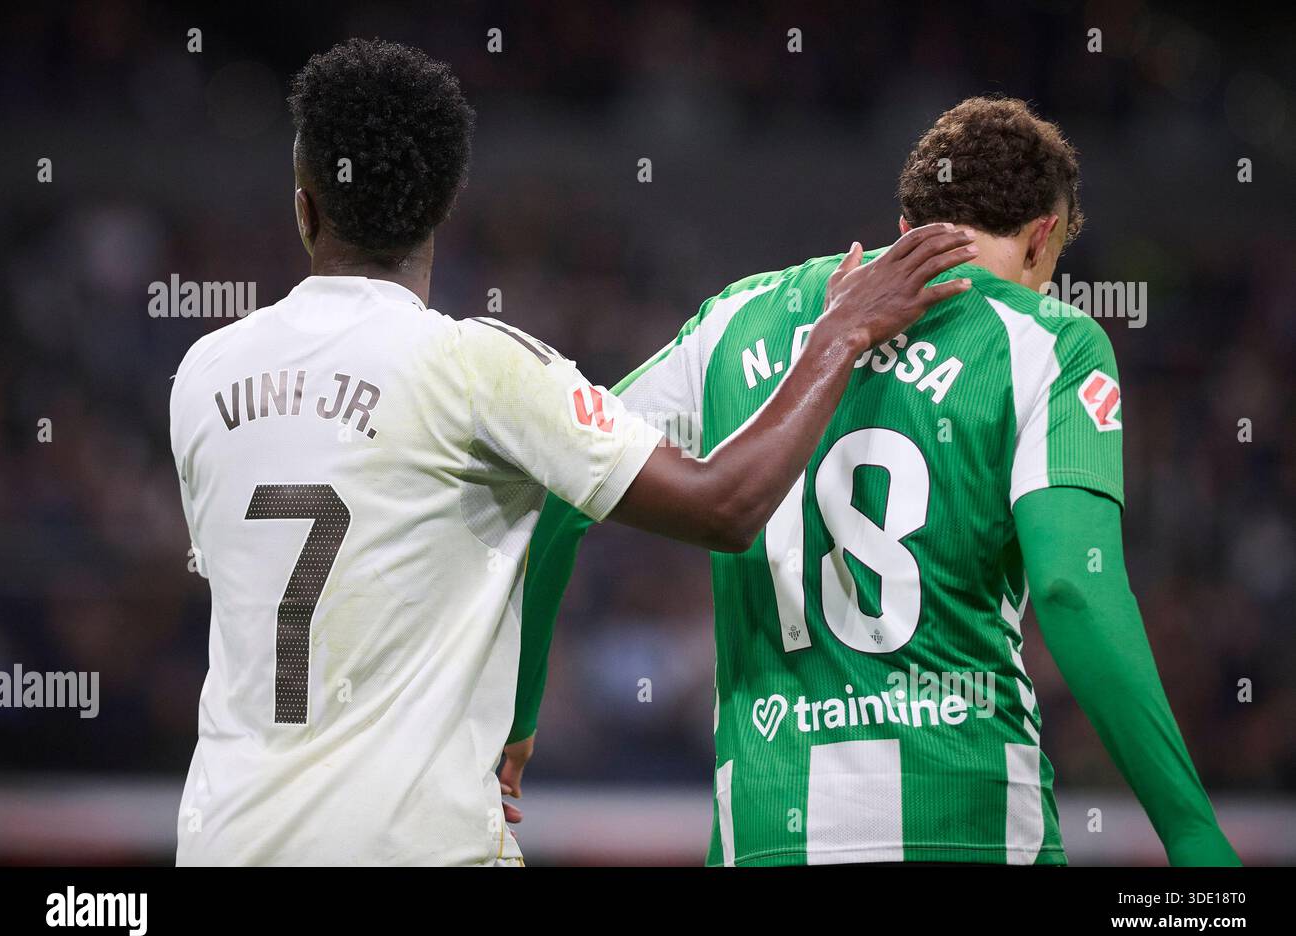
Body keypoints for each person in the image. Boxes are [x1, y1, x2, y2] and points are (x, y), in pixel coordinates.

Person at [167, 38, 973, 865]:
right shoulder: (477, 366)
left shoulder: (202, 375)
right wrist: (840, 333)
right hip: (412, 844)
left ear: (304, 208)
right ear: (445, 204)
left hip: (228, 837)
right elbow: (725, 506)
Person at [509, 96, 1240, 867]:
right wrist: (1189, 829)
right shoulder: (1051, 342)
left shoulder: (736, 321)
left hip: (767, 834)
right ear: (1042, 239)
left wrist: (518, 716)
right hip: (969, 824)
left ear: (905, 228)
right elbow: (1071, 588)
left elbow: (561, 488)